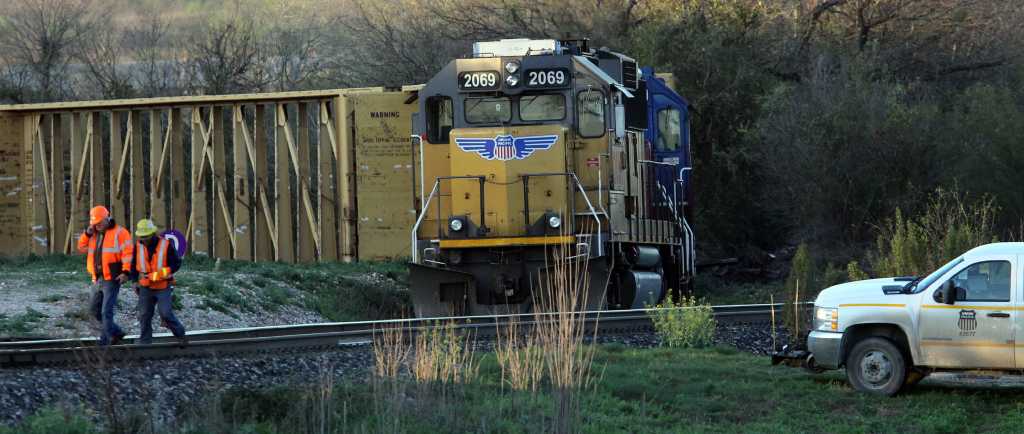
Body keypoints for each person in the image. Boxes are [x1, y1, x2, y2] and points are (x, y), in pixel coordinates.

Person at [76, 206, 133, 346]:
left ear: (107, 218)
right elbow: (81, 248)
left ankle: (104, 344)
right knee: (94, 311)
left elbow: (128, 254)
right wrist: (87, 234)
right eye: (95, 223)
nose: (98, 225)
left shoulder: (120, 233)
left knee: (106, 311)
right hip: (97, 278)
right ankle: (117, 332)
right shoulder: (93, 234)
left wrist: (125, 272)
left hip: (112, 278)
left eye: (100, 222)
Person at [130, 219, 187, 345]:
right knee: (144, 315)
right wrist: (134, 281)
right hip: (146, 287)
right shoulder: (138, 247)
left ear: (152, 233)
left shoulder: (165, 245)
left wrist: (167, 272)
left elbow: (176, 263)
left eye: (146, 236)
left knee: (166, 313)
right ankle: (145, 343)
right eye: (141, 236)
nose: (143, 239)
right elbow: (133, 266)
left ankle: (180, 335)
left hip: (163, 286)